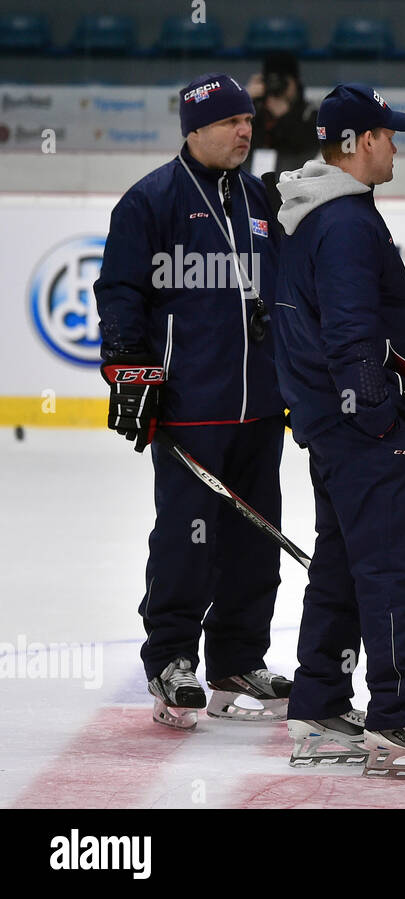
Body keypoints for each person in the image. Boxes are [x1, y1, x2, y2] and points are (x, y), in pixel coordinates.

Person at [272, 83, 405, 778]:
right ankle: (399, 713)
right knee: (392, 565)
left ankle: (320, 702)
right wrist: (376, 415)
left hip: (330, 425)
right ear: (359, 143)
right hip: (361, 431)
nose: (396, 144)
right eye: (388, 134)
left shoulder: (322, 212)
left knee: (339, 564)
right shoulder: (344, 223)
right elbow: (351, 332)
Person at [94, 72, 289, 730]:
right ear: (194, 129)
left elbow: (282, 293)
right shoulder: (150, 201)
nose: (244, 131)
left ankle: (238, 658)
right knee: (186, 537)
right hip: (190, 407)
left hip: (259, 406)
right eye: (231, 123)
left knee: (254, 540)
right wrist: (129, 372)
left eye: (247, 122)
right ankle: (173, 658)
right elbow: (121, 293)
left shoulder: (258, 198)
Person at [244, 52, 319, 177]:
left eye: (282, 81)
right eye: (271, 81)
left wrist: (285, 117)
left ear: (295, 83)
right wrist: (244, 99)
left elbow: (307, 153)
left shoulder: (309, 114)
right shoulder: (250, 111)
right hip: (250, 181)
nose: (276, 87)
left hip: (291, 184)